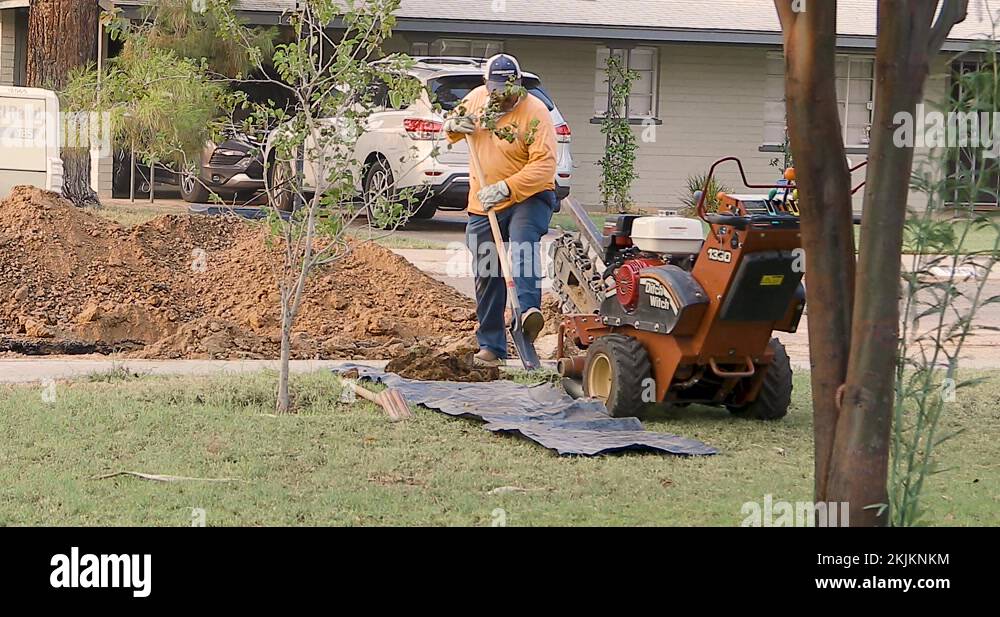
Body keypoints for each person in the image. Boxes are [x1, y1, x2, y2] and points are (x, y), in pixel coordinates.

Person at [444, 53, 559, 368]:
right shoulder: (477, 100)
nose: (503, 96)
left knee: (522, 243)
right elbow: (452, 130)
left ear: (519, 85)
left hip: (530, 196)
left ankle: (527, 316)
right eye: (497, 90)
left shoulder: (536, 113)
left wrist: (507, 188)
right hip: (484, 201)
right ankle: (492, 346)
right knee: (487, 267)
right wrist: (453, 125)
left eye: (509, 89)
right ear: (486, 85)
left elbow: (545, 166)